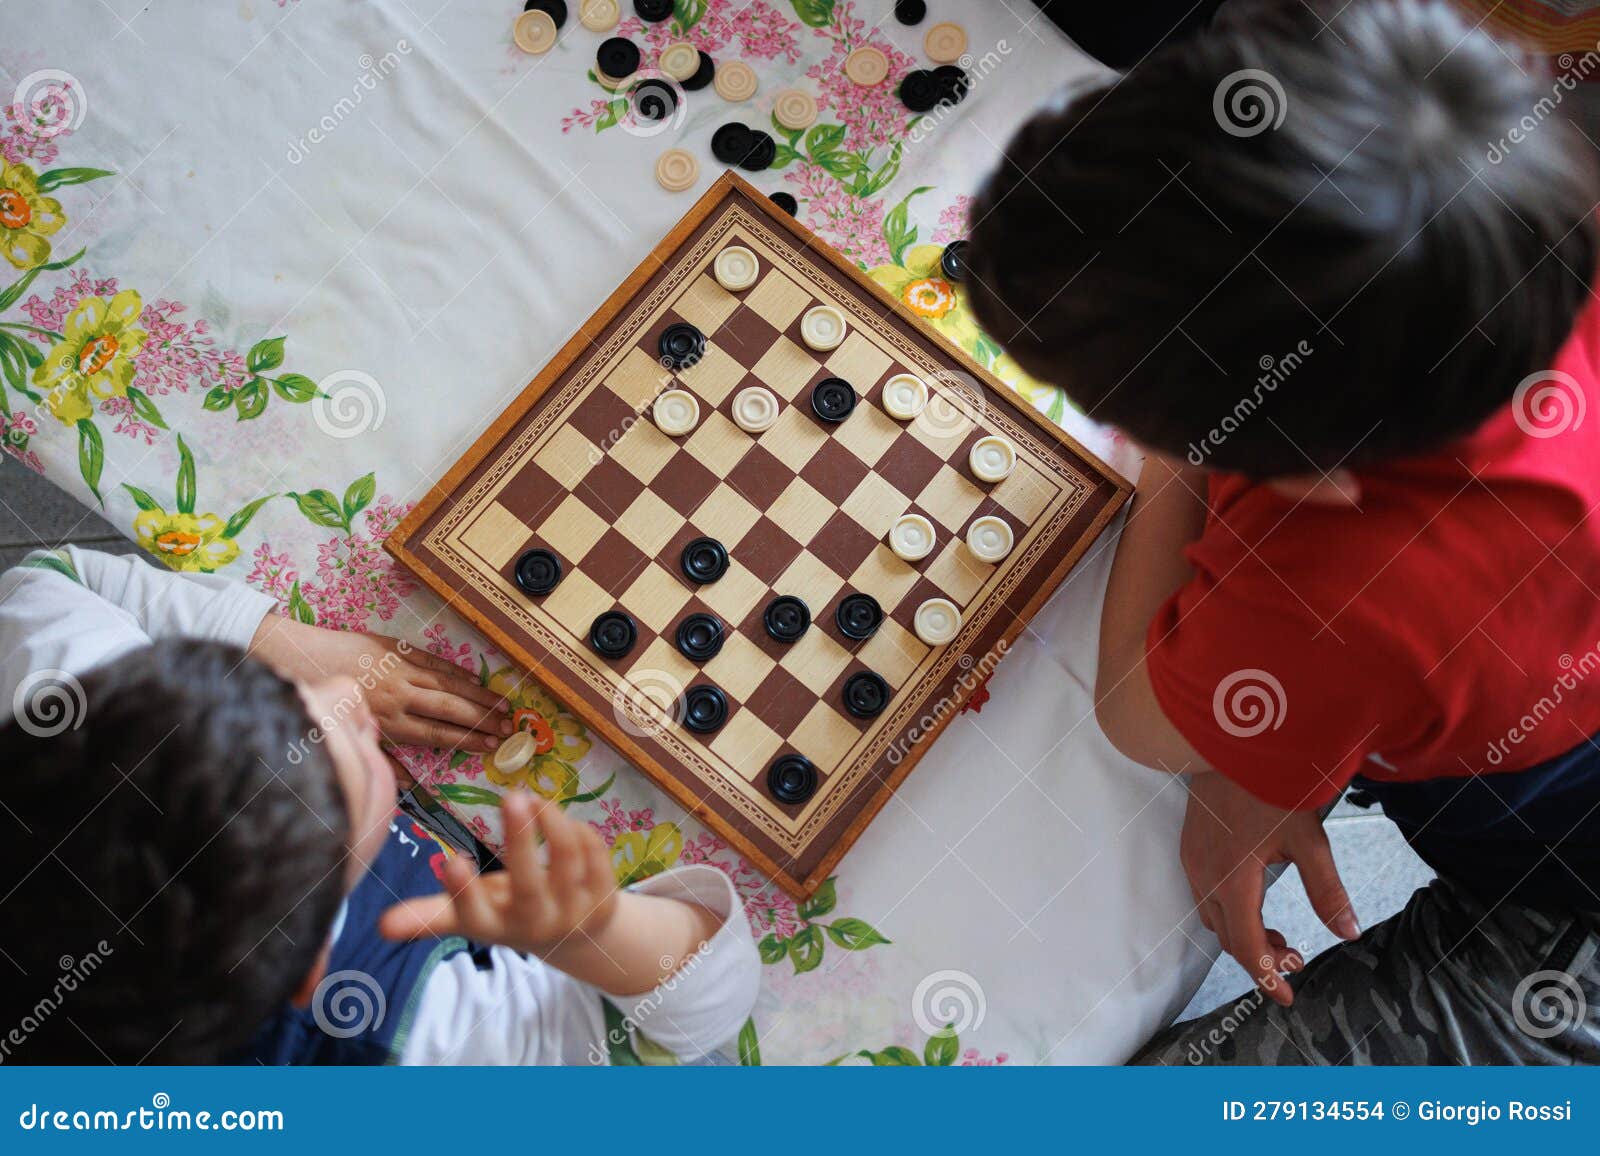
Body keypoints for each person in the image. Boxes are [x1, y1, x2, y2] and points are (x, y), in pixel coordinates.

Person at [966, 0, 1600, 1062]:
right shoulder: (1514, 208)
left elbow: (1135, 712)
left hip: (1560, 899)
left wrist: (1274, 748)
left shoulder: (1343, 592)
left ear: (1302, 483)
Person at [0, 546, 760, 1064]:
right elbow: (679, 1037)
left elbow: (47, 577)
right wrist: (600, 933)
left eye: (287, 697)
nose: (343, 699)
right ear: (311, 973)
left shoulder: (69, 721)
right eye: (345, 771)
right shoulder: (423, 1039)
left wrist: (279, 639)